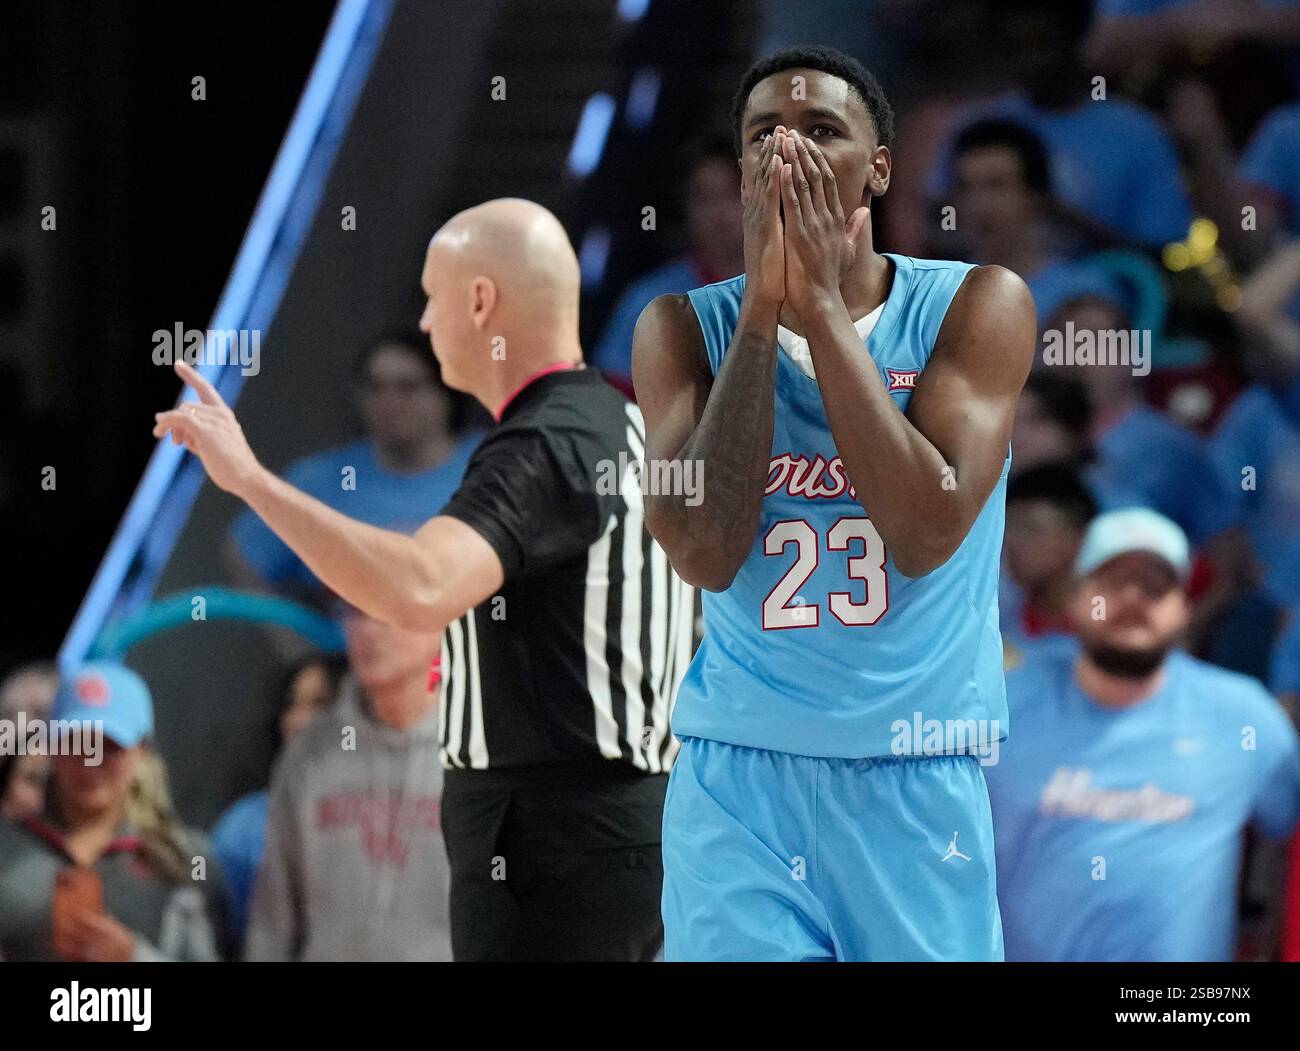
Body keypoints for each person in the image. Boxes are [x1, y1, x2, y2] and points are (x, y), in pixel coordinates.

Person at [153, 198, 693, 961]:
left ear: (480, 301)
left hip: (561, 851)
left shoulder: (542, 443)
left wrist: (248, 480)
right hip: (615, 834)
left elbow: (418, 587)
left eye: (435, 297)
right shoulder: (618, 422)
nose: (430, 321)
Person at [633, 45, 1034, 960]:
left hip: (914, 773)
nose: (791, 156)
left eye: (821, 131)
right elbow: (701, 547)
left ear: (879, 167)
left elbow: (925, 529)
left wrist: (817, 304)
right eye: (766, 136)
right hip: (739, 782)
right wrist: (766, 318)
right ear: (741, 171)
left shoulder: (976, 304)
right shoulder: (679, 329)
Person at [986, 508, 1300, 960]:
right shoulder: (1003, 706)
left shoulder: (1242, 716)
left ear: (1184, 605)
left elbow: (1289, 841)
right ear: (1074, 598)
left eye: (1155, 584)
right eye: (1113, 582)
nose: (1133, 598)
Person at [244, 612, 446, 960]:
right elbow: (273, 920)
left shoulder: (484, 754)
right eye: (356, 612)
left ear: (443, 621)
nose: (369, 630)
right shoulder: (309, 754)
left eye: (385, 613)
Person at [0, 662, 230, 961]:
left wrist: (135, 956)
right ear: (52, 747)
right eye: (77, 743)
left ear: (142, 751)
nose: (90, 762)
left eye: (111, 747)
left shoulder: (185, 860)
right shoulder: (7, 848)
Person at [228, 333, 480, 604]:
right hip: (361, 644)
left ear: (446, 391)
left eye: (408, 387)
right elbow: (243, 554)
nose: (390, 404)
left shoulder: (495, 463)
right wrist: (300, 642)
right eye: (375, 388)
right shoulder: (322, 479)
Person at [210, 652, 345, 947]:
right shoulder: (243, 827)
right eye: (291, 705)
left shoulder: (391, 818)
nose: (299, 720)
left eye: (320, 703)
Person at [593, 135, 744, 396]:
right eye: (704, 197)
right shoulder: (649, 298)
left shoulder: (797, 291)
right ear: (686, 207)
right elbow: (616, 399)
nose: (721, 213)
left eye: (733, 193)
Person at [1001, 462, 1098, 658]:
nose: (1010, 542)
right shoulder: (995, 619)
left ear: (1080, 537)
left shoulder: (1109, 625)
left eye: (1029, 528)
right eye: (1008, 527)